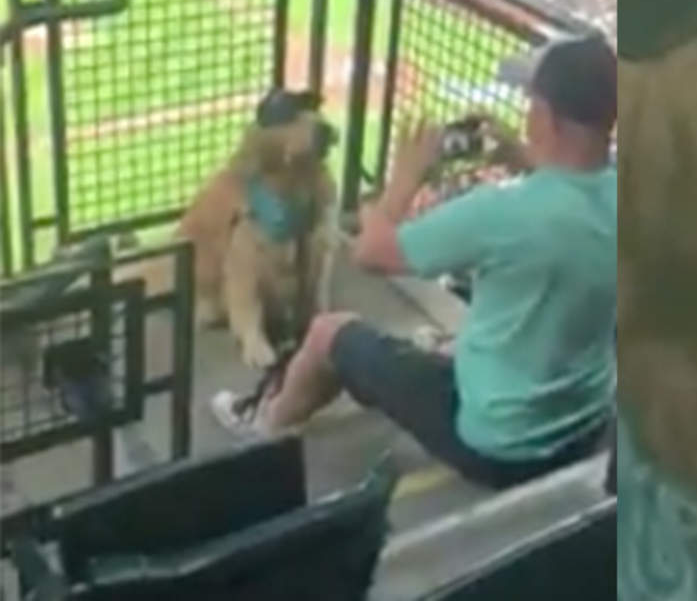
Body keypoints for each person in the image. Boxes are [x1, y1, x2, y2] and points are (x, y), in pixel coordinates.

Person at [210, 34, 618, 489]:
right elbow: (572, 207)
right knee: (449, 337)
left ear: (544, 117)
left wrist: (404, 178)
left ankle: (262, 432)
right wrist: (522, 158)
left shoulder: (500, 212)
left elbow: (371, 252)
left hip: (499, 445)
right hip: (584, 424)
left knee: (329, 334)